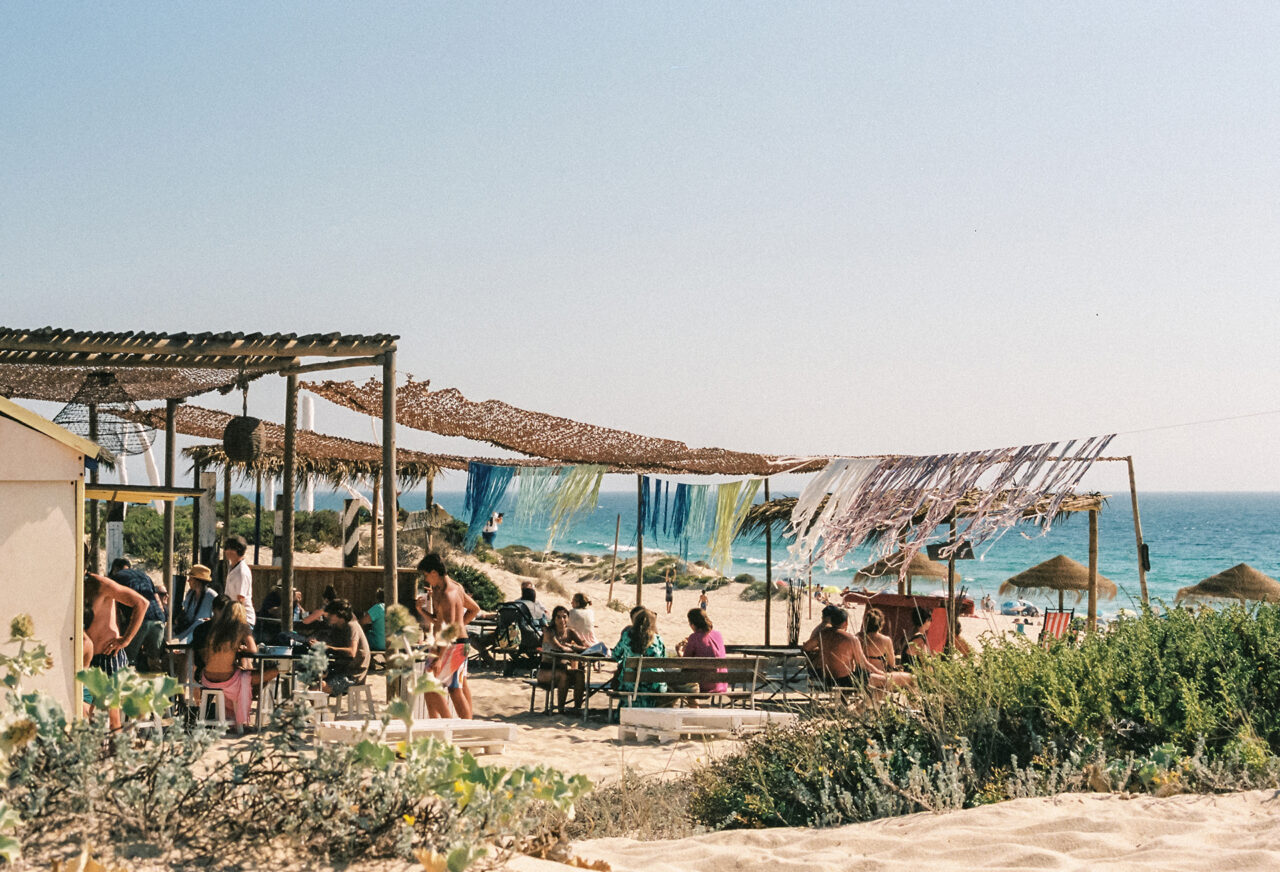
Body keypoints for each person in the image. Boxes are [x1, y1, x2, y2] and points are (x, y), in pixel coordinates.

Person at [83, 570, 149, 729]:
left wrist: (126, 640)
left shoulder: (99, 584)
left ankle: (116, 751)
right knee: (87, 715)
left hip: (108, 656)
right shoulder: (71, 585)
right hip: (87, 660)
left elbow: (141, 603)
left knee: (113, 721)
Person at [420, 553, 480, 719]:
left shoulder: (448, 593)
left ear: (434, 572)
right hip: (459, 643)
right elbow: (474, 609)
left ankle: (451, 724)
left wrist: (439, 657)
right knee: (455, 687)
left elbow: (449, 629)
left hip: (451, 644)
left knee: (434, 684)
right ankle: (444, 727)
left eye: (426, 575)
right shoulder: (454, 587)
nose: (426, 580)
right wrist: (421, 610)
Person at [802, 605, 913, 691]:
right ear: (845, 623)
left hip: (825, 678)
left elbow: (806, 648)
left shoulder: (823, 634)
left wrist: (822, 651)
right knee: (889, 680)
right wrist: (881, 673)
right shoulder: (851, 639)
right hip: (845, 680)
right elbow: (863, 664)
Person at [201, 601, 274, 732]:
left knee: (245, 675)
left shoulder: (216, 628)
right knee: (270, 672)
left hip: (207, 679)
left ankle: (235, 715)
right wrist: (242, 648)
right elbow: (253, 649)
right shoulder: (242, 627)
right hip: (227, 681)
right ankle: (241, 720)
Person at [109, 557, 168, 671]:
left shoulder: (115, 579)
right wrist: (163, 620)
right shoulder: (144, 576)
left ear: (115, 568)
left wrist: (120, 635)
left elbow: (114, 610)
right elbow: (158, 602)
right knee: (154, 661)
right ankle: (156, 686)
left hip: (140, 619)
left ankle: (128, 686)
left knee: (126, 660)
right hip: (158, 619)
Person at [313, 599, 370, 697]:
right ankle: (320, 712)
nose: (328, 616)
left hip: (353, 675)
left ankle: (320, 712)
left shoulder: (352, 627)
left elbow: (351, 652)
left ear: (340, 615)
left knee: (316, 688)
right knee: (313, 682)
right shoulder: (338, 627)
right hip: (343, 670)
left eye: (331, 614)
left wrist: (327, 647)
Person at [611, 607, 666, 707]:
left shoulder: (627, 636)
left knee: (626, 678)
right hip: (654, 685)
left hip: (630, 684)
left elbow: (615, 655)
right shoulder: (658, 639)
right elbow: (662, 660)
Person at [538, 605, 588, 713]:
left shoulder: (570, 632)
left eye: (564, 617)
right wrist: (573, 649)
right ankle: (561, 709)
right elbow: (559, 648)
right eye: (558, 617)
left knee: (580, 674)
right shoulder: (548, 631)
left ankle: (577, 709)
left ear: (568, 618)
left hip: (562, 668)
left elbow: (585, 647)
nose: (562, 620)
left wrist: (573, 647)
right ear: (554, 619)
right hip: (546, 671)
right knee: (563, 676)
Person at [676, 608, 728, 699]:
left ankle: (694, 707)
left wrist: (679, 651)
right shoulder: (718, 634)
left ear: (693, 623)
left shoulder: (694, 637)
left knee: (680, 682)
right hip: (721, 684)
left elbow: (686, 664)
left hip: (703, 685)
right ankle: (694, 706)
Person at [175, 564, 216, 643]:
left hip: (201, 634)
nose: (188, 581)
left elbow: (218, 618)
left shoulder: (212, 596)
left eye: (191, 578)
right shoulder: (190, 594)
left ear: (198, 581)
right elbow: (185, 611)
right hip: (186, 629)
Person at [222, 536, 255, 628]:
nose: (228, 551)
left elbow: (241, 599)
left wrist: (235, 622)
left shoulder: (242, 571)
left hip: (243, 619)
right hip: (231, 616)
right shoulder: (232, 567)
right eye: (226, 548)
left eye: (232, 548)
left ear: (239, 550)